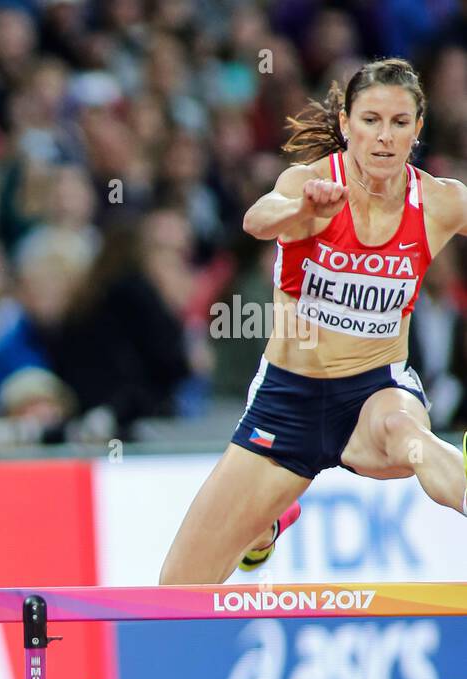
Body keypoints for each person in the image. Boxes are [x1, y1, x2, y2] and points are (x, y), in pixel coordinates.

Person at [161, 59, 467, 584]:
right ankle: (265, 527)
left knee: (406, 434)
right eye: (371, 121)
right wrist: (302, 209)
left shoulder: (440, 202)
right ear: (347, 124)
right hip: (288, 402)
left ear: (417, 130)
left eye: (399, 123)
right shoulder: (309, 181)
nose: (384, 138)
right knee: (178, 590)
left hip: (375, 392)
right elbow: (256, 220)